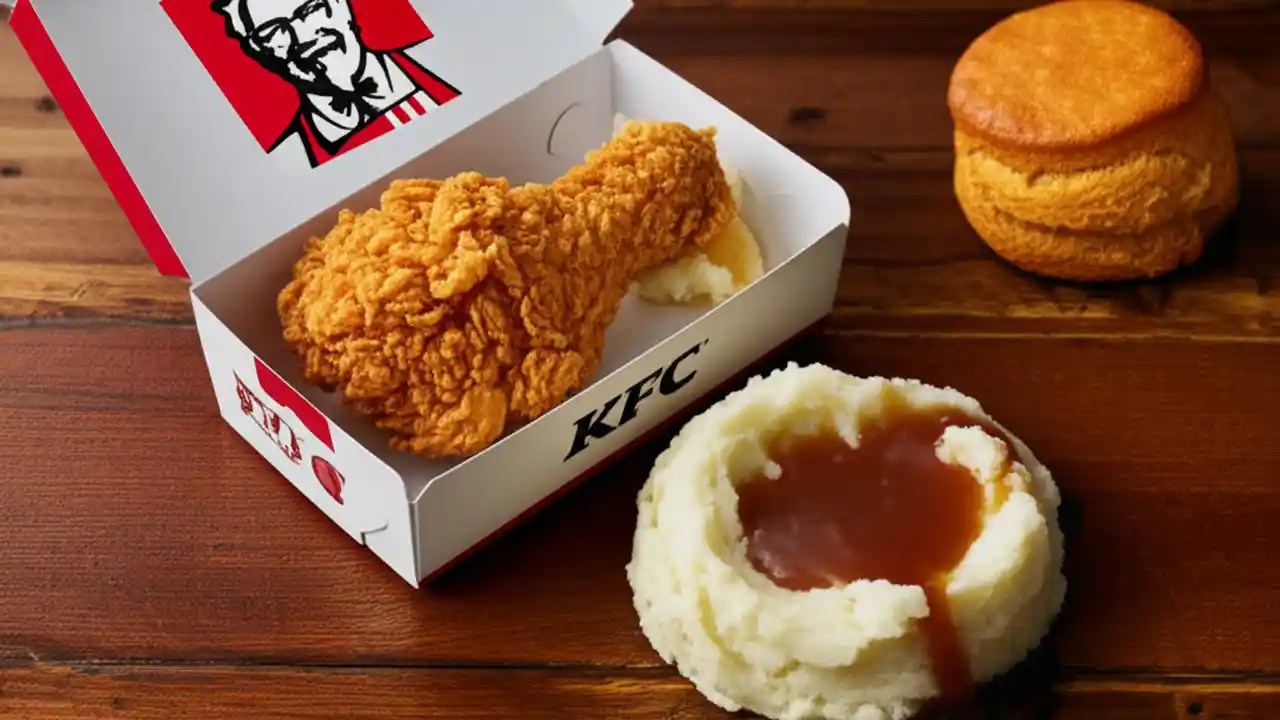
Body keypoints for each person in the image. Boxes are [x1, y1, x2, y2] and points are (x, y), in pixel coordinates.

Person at [212, 0, 460, 166]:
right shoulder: (293, 157)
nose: (303, 37)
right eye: (273, 31)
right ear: (257, 52)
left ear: (342, 4)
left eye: (310, 9)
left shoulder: (453, 60)